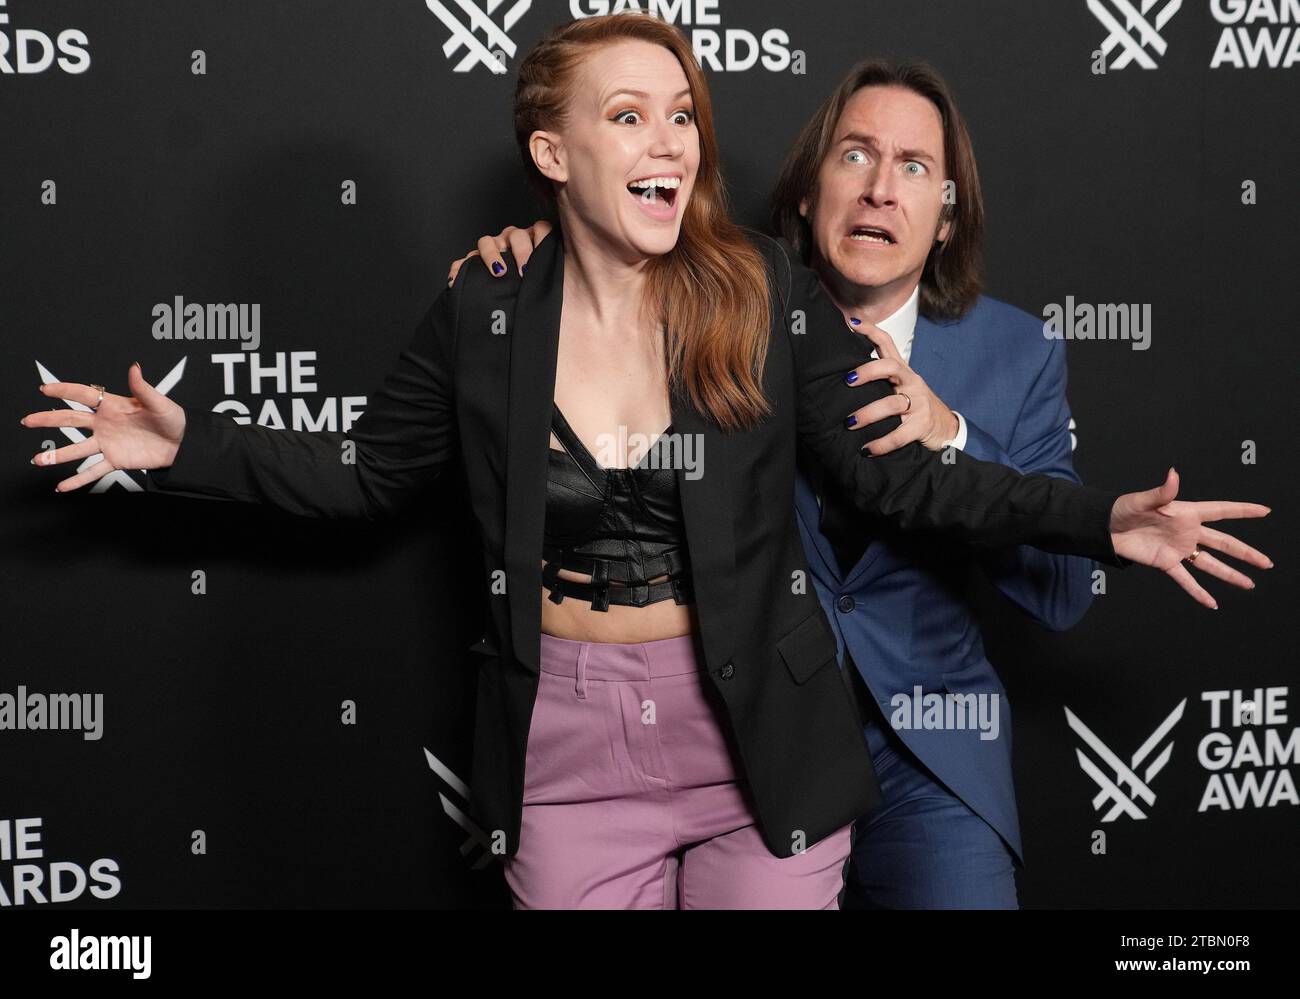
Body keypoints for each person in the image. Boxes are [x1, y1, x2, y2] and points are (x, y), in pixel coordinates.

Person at [23, 13, 1270, 910]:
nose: (668, 138)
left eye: (681, 114)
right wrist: (185, 449)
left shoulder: (762, 291)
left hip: (751, 735)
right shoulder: (486, 312)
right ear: (554, 156)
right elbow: (366, 476)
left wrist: (1104, 519)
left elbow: (907, 479)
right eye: (627, 117)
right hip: (565, 749)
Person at [450, 56, 1273, 909]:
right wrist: (557, 251)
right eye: (854, 156)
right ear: (806, 193)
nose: (881, 189)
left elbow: (1061, 591)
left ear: (948, 218)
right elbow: (603, 261)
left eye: (915, 168)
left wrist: (951, 432)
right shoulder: (718, 305)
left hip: (927, 758)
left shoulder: (1017, 355)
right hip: (745, 739)